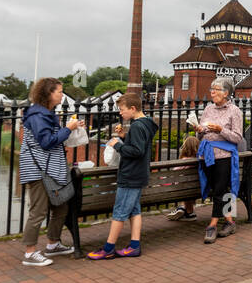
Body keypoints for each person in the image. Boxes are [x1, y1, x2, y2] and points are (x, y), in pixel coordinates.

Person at [19, 77, 84, 266]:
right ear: (48, 93)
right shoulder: (38, 115)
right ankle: (30, 253)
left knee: (60, 206)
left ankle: (53, 244)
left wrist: (70, 129)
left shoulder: (46, 113)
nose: (62, 94)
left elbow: (53, 138)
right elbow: (46, 142)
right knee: (38, 211)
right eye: (59, 91)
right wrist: (67, 129)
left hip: (49, 168)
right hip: (38, 169)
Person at [87, 92, 159, 259]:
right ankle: (134, 245)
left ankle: (108, 248)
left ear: (133, 108)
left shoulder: (137, 126)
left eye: (122, 109)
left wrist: (117, 145)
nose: (120, 112)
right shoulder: (146, 124)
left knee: (119, 212)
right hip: (139, 173)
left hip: (130, 175)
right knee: (134, 210)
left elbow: (136, 151)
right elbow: (139, 143)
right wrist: (124, 137)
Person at [195, 78, 245, 243]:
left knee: (219, 190)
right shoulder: (208, 109)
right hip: (206, 155)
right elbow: (200, 135)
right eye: (211, 89)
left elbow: (237, 138)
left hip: (224, 156)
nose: (212, 92)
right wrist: (199, 130)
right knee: (219, 190)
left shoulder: (234, 111)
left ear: (226, 93)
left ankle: (212, 226)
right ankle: (230, 222)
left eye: (216, 89)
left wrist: (220, 129)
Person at [166, 135, 201, 220]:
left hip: (183, 189)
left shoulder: (184, 161)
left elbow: (173, 174)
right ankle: (186, 210)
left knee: (183, 186)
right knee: (188, 187)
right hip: (197, 188)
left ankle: (185, 210)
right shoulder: (200, 161)